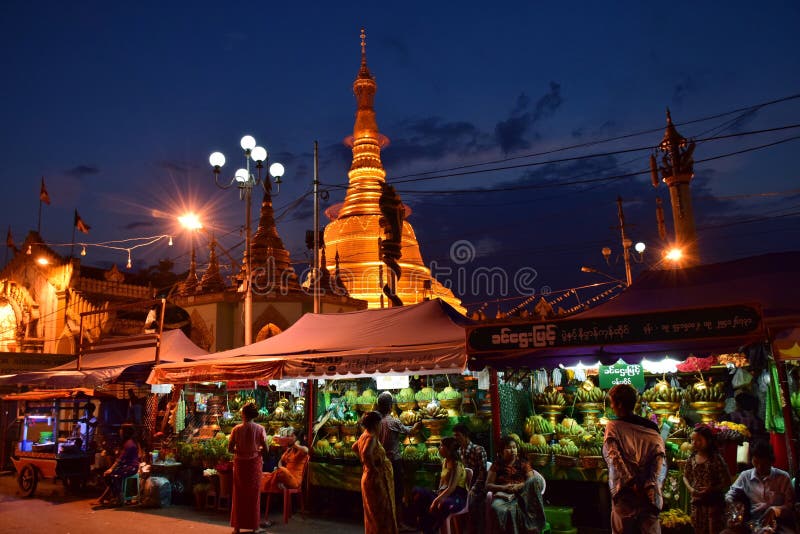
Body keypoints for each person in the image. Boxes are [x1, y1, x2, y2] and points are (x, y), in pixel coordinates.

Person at [602, 383, 667, 534]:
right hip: (648, 494)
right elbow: (660, 458)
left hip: (625, 493)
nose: (611, 407)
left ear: (618, 404)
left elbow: (614, 457)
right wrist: (649, 483)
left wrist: (632, 483)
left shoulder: (613, 426)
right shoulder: (652, 427)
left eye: (612, 403)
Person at [722, 440, 796, 534]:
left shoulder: (783, 477)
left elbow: (791, 506)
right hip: (754, 522)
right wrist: (733, 507)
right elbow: (730, 494)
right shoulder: (745, 476)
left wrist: (775, 510)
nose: (759, 467)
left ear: (771, 461)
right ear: (751, 459)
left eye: (764, 464)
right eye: (756, 462)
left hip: (780, 523)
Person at [377, 391, 422, 531]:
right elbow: (411, 432)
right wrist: (418, 425)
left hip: (380, 463)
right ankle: (398, 523)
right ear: (390, 406)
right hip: (394, 463)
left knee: (384, 493)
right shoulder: (393, 421)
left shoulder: (377, 422)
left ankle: (386, 522)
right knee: (397, 493)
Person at [485, 435, 546, 534]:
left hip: (523, 495)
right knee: (496, 508)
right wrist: (503, 487)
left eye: (514, 447)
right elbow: (488, 485)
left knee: (534, 480)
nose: (513, 450)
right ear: (501, 451)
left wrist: (520, 486)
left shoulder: (523, 463)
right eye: (509, 448)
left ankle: (534, 525)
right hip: (504, 496)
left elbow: (531, 482)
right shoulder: (497, 464)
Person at [411, 436, 469, 534]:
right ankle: (425, 526)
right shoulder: (445, 461)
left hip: (457, 496)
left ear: (448, 449)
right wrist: (437, 493)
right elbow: (442, 483)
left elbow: (451, 488)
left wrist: (435, 501)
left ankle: (433, 527)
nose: (439, 448)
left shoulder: (457, 465)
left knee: (442, 504)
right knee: (417, 492)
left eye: (441, 446)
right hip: (443, 493)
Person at [353, 410, 398, 534]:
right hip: (375, 480)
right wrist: (373, 467)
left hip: (368, 477)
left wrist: (367, 466)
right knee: (381, 512)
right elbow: (366, 454)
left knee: (372, 512)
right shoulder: (371, 437)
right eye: (380, 424)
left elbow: (354, 447)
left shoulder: (364, 434)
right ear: (375, 424)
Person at [683, 424, 731, 534]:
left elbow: (727, 481)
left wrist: (711, 489)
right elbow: (685, 476)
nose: (694, 443)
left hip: (714, 503)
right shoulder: (692, 457)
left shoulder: (716, 458)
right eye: (692, 440)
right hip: (697, 502)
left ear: (708, 440)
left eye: (699, 440)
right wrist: (691, 489)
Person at [228, 402, 268, 534]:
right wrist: (257, 451)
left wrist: (240, 451)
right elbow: (266, 449)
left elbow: (230, 449)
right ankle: (254, 527)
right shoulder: (260, 429)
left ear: (243, 414)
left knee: (238, 494)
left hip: (240, 463)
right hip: (254, 464)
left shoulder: (236, 429)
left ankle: (237, 528)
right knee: (254, 495)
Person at [260, 429, 309, 528]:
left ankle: (268, 486)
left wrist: (295, 444)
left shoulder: (301, 449)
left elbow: (306, 450)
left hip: (294, 480)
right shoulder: (289, 450)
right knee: (265, 474)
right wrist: (280, 467)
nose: (290, 438)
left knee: (279, 471)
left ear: (297, 438)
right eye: (289, 436)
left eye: (292, 436)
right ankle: (273, 483)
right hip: (284, 476)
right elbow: (280, 461)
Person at [92, 423, 141, 507]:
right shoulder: (129, 442)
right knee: (111, 475)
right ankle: (105, 498)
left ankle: (118, 497)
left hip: (131, 468)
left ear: (125, 432)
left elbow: (120, 459)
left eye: (121, 430)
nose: (120, 432)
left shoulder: (129, 444)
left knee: (111, 475)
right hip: (129, 467)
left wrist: (111, 469)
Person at [453, 423, 488, 533]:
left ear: (465, 435)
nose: (456, 438)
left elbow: (483, 474)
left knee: (473, 503)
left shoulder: (479, 450)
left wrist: (473, 489)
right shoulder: (459, 452)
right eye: (455, 436)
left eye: (458, 435)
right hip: (465, 487)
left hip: (478, 487)